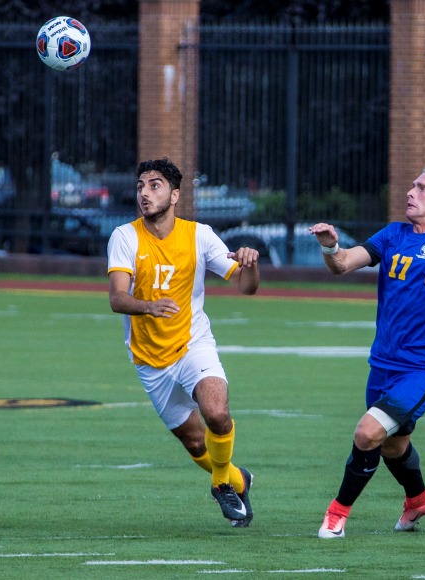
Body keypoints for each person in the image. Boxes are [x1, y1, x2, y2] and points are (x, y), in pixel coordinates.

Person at [310, 166, 425, 539]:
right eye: (412, 184)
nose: (410, 192)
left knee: (367, 433)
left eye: (422, 188)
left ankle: (336, 514)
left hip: (423, 369)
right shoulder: (393, 234)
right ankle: (419, 500)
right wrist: (330, 245)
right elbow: (341, 265)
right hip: (382, 366)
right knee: (392, 446)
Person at [107, 157, 261, 526]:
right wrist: (148, 306)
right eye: (141, 186)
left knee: (218, 414)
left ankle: (221, 485)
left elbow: (246, 286)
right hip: (148, 359)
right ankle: (239, 480)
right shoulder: (125, 236)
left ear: (175, 195)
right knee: (195, 444)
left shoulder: (200, 235)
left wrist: (250, 264)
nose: (145, 193)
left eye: (155, 185)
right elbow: (117, 299)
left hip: (194, 343)